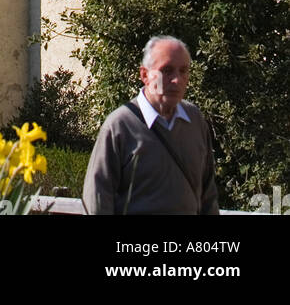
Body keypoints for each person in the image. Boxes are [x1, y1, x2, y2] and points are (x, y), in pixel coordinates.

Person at [82, 35, 219, 215]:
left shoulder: (195, 120)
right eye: (167, 70)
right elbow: (97, 201)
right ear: (145, 75)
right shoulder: (120, 125)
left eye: (183, 70)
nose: (177, 80)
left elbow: (208, 196)